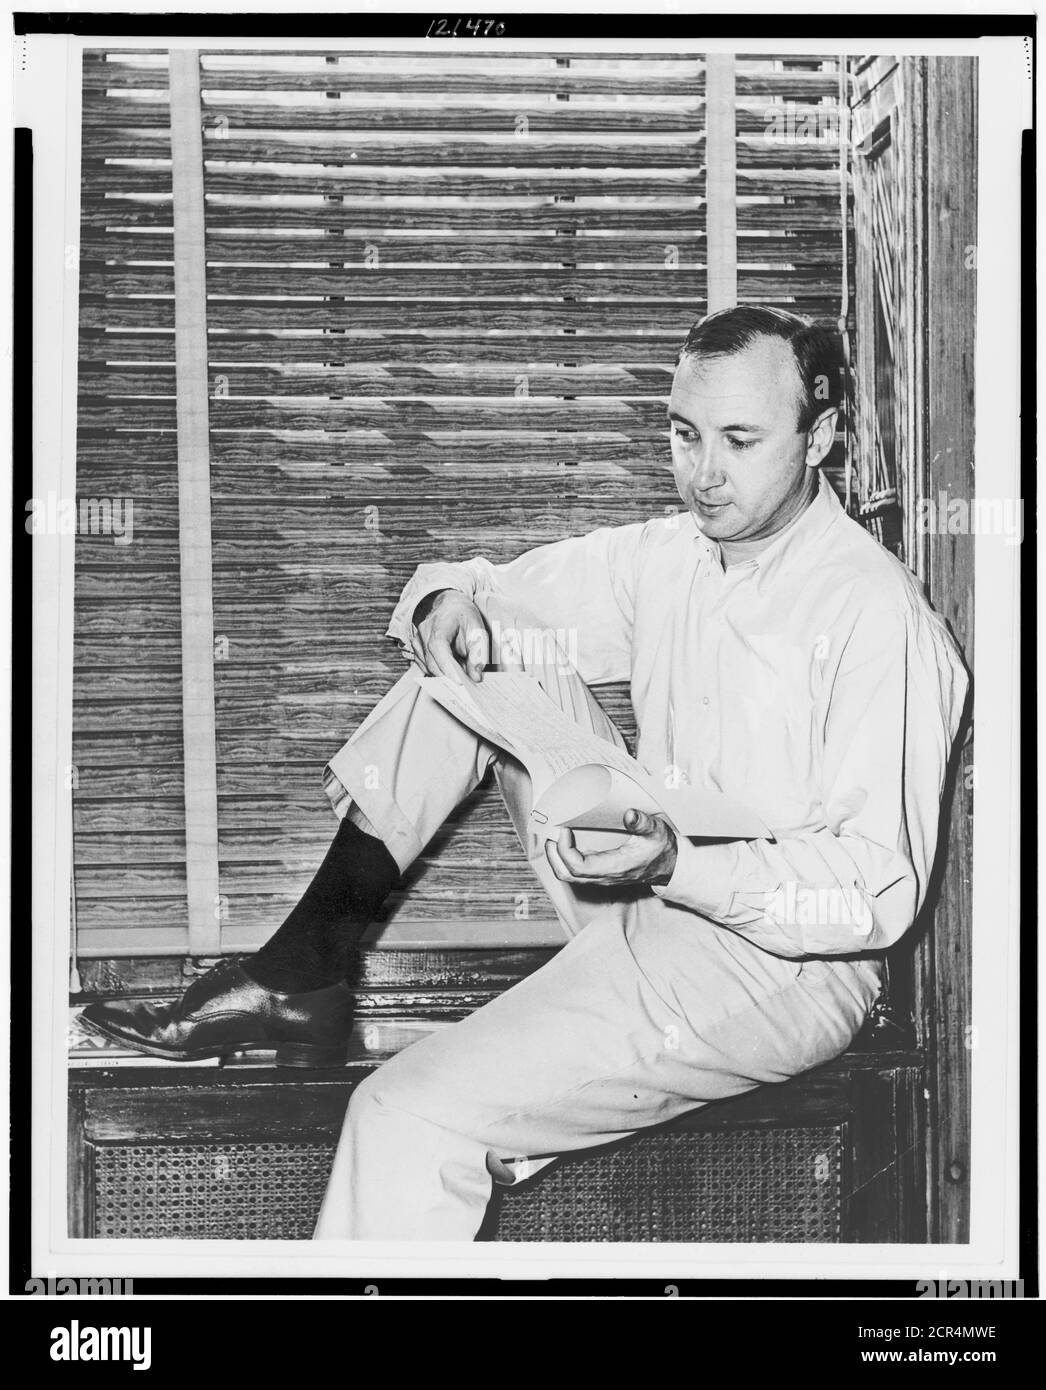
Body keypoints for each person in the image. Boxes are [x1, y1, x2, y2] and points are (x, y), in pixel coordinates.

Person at [82, 305, 970, 1241]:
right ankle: (306, 967)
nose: (702, 472)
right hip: (645, 893)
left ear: (820, 435)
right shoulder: (673, 554)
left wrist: (678, 867)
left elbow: (873, 894)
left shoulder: (879, 616)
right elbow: (495, 590)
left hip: (781, 967)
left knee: (402, 1114)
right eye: (683, 434)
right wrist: (452, 599)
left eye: (740, 441)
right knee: (476, 655)